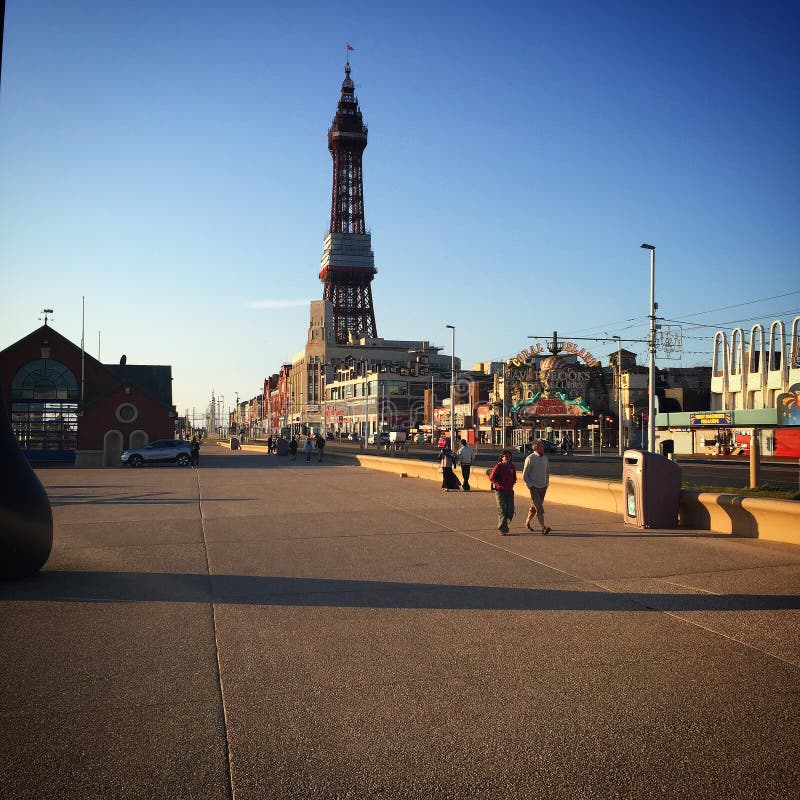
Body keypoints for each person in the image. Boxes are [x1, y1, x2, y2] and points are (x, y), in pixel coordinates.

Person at [522, 439, 551, 535]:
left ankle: (527, 522)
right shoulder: (530, 458)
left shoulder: (545, 458)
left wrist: (546, 483)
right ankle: (543, 527)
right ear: (536, 448)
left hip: (543, 486)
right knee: (539, 507)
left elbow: (547, 472)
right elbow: (525, 475)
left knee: (534, 507)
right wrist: (530, 486)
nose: (543, 447)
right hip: (534, 487)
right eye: (542, 446)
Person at [488, 450, 517, 534]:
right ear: (502, 457)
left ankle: (505, 524)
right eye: (505, 456)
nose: (507, 458)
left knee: (510, 510)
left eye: (509, 456)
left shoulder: (512, 466)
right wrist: (498, 484)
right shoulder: (498, 466)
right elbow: (491, 477)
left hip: (509, 490)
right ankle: (502, 528)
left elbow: (514, 478)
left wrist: (512, 483)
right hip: (500, 491)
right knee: (502, 510)